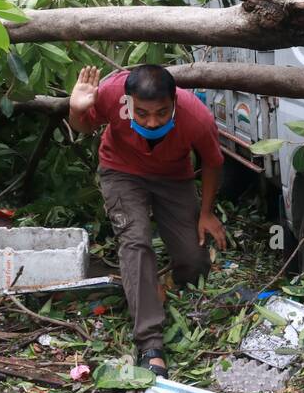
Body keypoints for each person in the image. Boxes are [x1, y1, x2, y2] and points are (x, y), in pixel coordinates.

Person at [67, 63, 227, 376]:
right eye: (142, 114)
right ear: (127, 103)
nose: (152, 122)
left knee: (194, 262)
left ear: (175, 104)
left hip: (173, 178)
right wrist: (76, 109)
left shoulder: (197, 117)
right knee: (135, 240)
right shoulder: (112, 93)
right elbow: (83, 127)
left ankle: (160, 282)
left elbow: (212, 162)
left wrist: (206, 213)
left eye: (162, 113)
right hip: (121, 171)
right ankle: (150, 344)